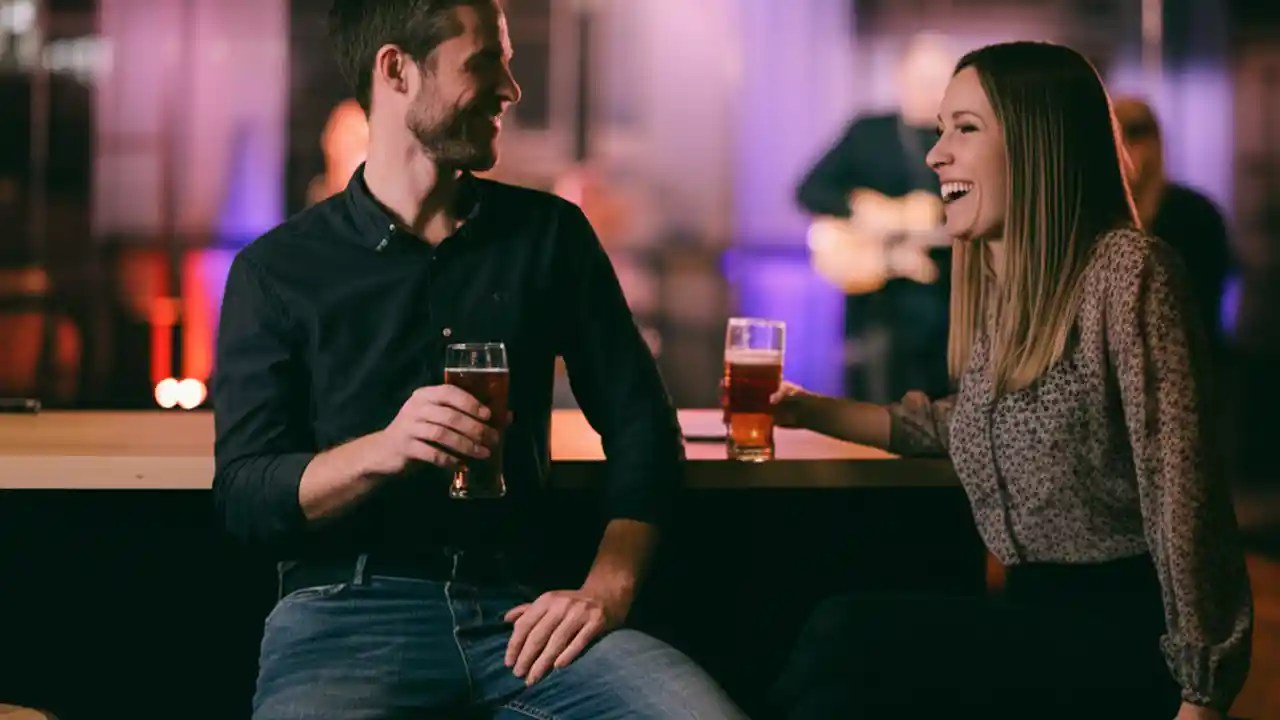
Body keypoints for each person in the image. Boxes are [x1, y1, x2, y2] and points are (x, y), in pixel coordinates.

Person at [212, 1, 745, 718]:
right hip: (346, 617)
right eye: (485, 62)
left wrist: (606, 589)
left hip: (525, 616)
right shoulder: (276, 270)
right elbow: (247, 494)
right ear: (396, 70)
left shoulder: (548, 236)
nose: (511, 90)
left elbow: (643, 429)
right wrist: (387, 449)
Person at [770, 42, 1252, 719]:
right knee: (830, 633)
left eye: (965, 128)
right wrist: (805, 410)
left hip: (1121, 639)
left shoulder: (1130, 272)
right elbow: (953, 421)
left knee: (847, 636)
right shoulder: (1009, 288)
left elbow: (1183, 490)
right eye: (940, 128)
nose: (937, 154)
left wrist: (1203, 693)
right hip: (1034, 619)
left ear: (1038, 143)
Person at [796, 32, 955, 403]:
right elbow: (809, 190)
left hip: (949, 309)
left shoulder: (962, 140)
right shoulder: (869, 133)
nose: (933, 91)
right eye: (924, 80)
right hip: (878, 310)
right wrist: (870, 213)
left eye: (942, 82)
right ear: (901, 78)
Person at [1113, 96, 1235, 356]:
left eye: (1135, 132)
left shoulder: (1194, 214)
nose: (1125, 147)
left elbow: (1204, 304)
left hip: (1186, 360)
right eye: (1116, 133)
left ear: (1156, 142)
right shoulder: (1098, 215)